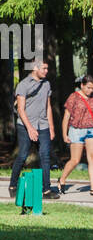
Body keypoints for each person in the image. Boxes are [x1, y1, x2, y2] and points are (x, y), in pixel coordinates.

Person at [9, 58, 56, 201]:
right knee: (23, 155)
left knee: (45, 156)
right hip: (25, 125)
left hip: (43, 125)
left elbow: (48, 107)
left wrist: (51, 127)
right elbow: (20, 110)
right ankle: (13, 185)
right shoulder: (23, 85)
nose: (46, 71)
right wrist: (30, 128)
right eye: (44, 68)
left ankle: (46, 189)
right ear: (35, 68)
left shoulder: (46, 84)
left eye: (47, 68)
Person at [58, 75, 93, 196]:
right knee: (75, 160)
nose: (90, 90)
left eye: (92, 88)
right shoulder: (73, 97)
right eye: (88, 87)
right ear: (82, 85)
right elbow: (66, 117)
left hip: (91, 130)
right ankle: (62, 179)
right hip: (76, 130)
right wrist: (64, 134)